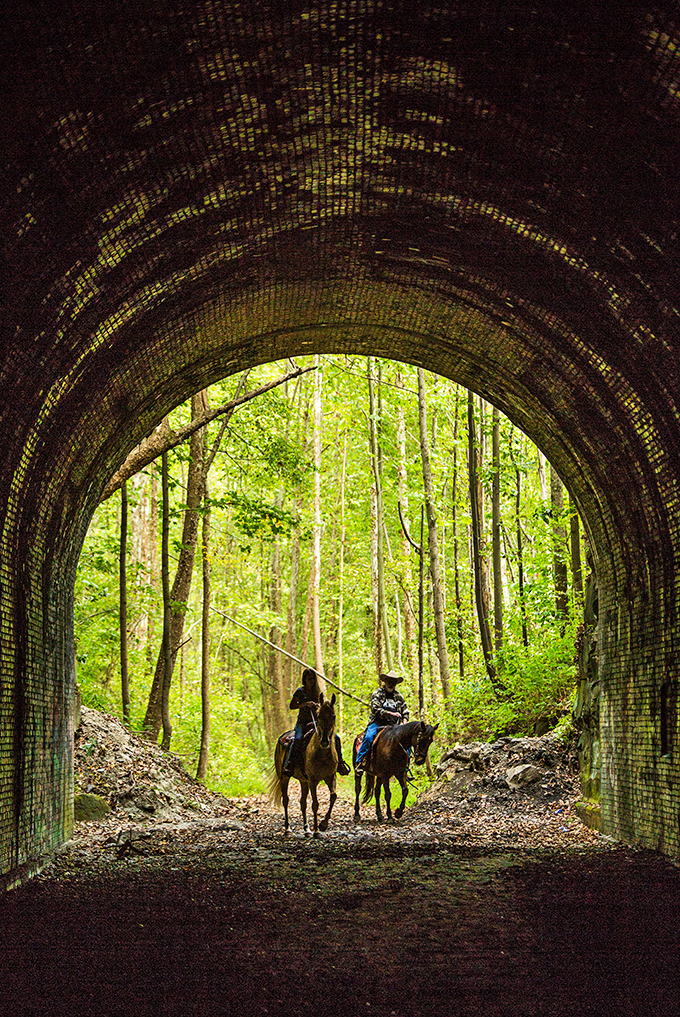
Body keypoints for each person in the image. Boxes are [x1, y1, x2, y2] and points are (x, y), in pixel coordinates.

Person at [282, 667, 351, 777]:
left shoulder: (318, 692)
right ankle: (290, 764)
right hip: (303, 722)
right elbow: (292, 706)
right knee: (298, 739)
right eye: (309, 679)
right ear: (304, 679)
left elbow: (323, 706)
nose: (311, 681)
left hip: (317, 722)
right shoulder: (300, 692)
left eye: (313, 679)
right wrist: (305, 704)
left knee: (336, 738)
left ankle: (340, 763)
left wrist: (320, 707)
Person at [355, 669, 410, 772]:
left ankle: (406, 767)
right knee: (369, 737)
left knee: (407, 740)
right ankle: (360, 761)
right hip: (378, 722)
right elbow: (375, 708)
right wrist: (391, 713)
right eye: (389, 682)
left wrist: (404, 724)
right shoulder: (378, 693)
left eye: (393, 682)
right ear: (385, 682)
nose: (391, 684)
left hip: (394, 725)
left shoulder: (399, 696)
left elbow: (405, 712)